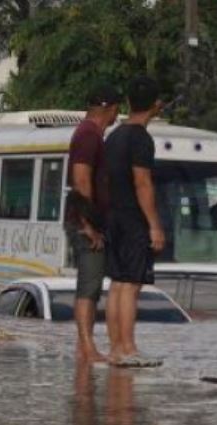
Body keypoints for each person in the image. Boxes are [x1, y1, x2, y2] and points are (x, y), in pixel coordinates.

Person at [103, 76, 165, 367]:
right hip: (132, 220)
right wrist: (153, 224)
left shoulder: (113, 136)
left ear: (128, 103)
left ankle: (116, 348)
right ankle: (128, 349)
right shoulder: (141, 139)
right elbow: (142, 183)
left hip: (112, 217)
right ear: (157, 106)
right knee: (131, 285)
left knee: (118, 283)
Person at [65, 84, 121, 363]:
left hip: (86, 220)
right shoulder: (89, 135)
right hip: (85, 223)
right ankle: (87, 347)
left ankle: (83, 347)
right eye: (116, 110)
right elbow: (81, 179)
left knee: (92, 284)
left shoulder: (90, 134)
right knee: (89, 286)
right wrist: (88, 224)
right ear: (111, 109)